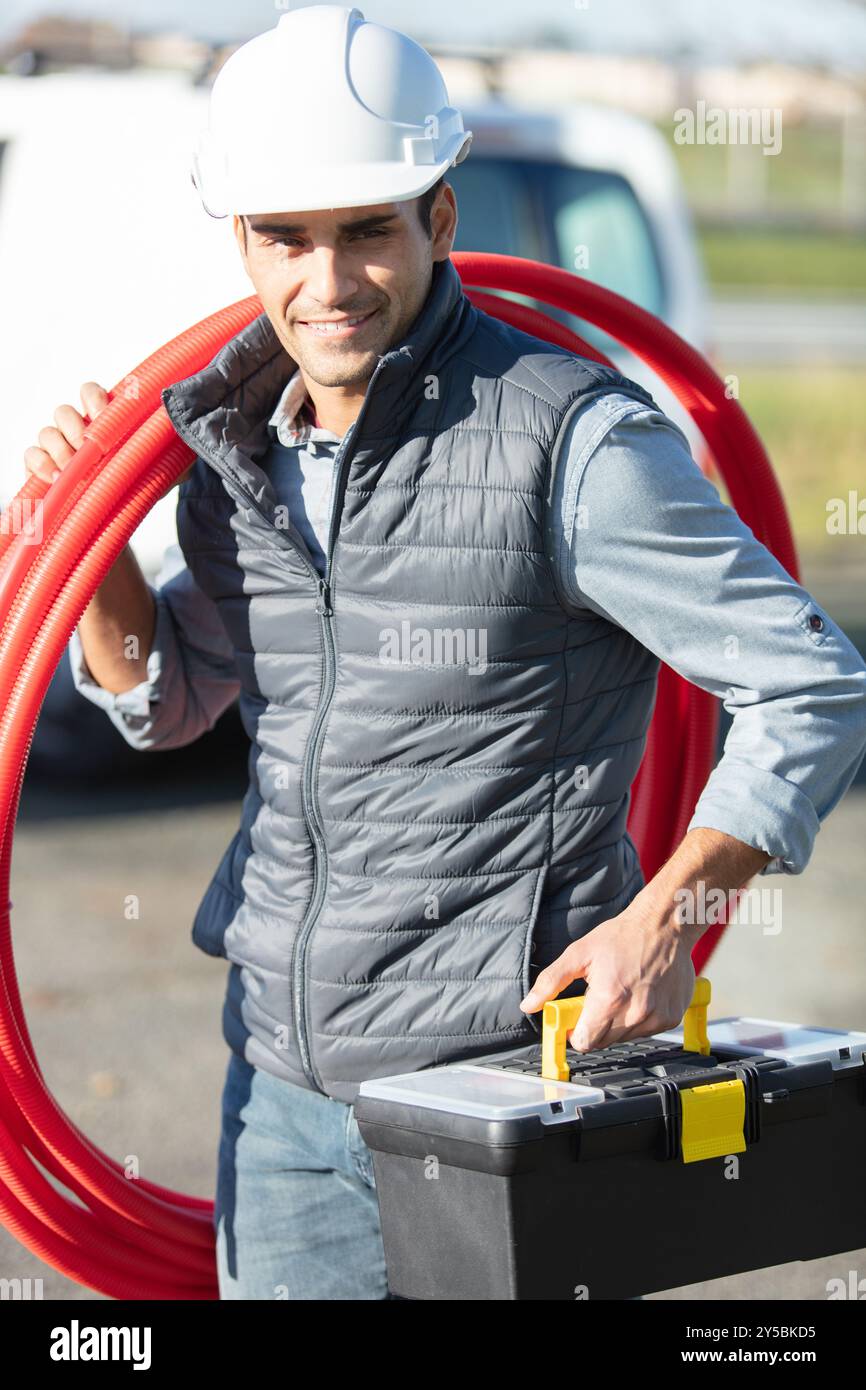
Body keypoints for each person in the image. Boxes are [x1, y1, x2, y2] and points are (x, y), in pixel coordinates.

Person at [26, 7, 866, 1301]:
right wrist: (93, 562)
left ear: (440, 220)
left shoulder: (570, 444)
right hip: (283, 1085)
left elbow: (810, 682)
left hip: (494, 1099)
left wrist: (673, 915)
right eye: (285, 238)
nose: (326, 280)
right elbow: (171, 705)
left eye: (366, 228)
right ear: (241, 241)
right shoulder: (233, 455)